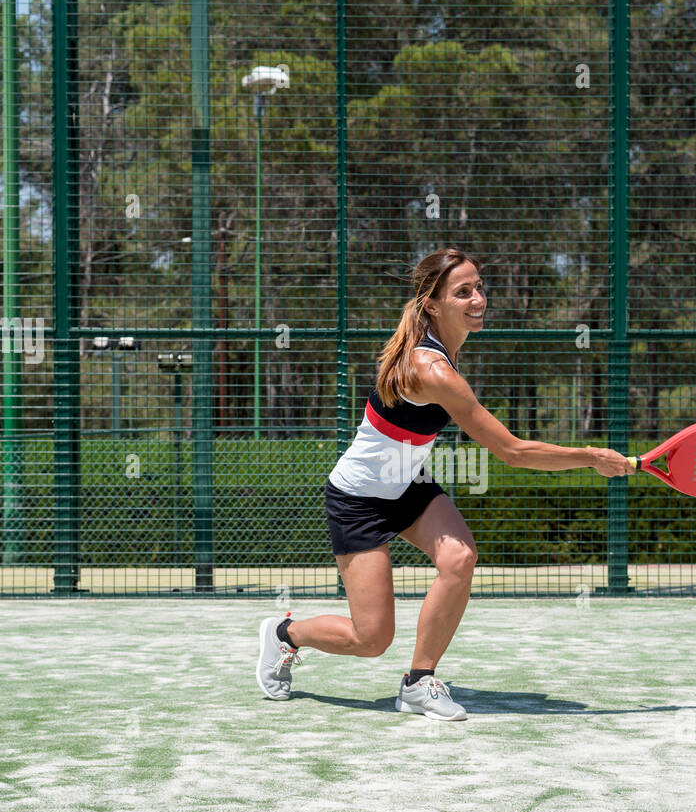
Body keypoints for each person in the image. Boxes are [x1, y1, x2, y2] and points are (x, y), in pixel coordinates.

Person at [256, 248, 632, 718]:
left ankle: (419, 681)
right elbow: (511, 452)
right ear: (432, 305)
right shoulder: (432, 369)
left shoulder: (447, 352)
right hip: (357, 500)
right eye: (463, 292)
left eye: (479, 288)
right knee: (370, 639)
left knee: (459, 557)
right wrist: (591, 456)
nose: (479, 299)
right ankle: (283, 634)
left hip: (406, 485)